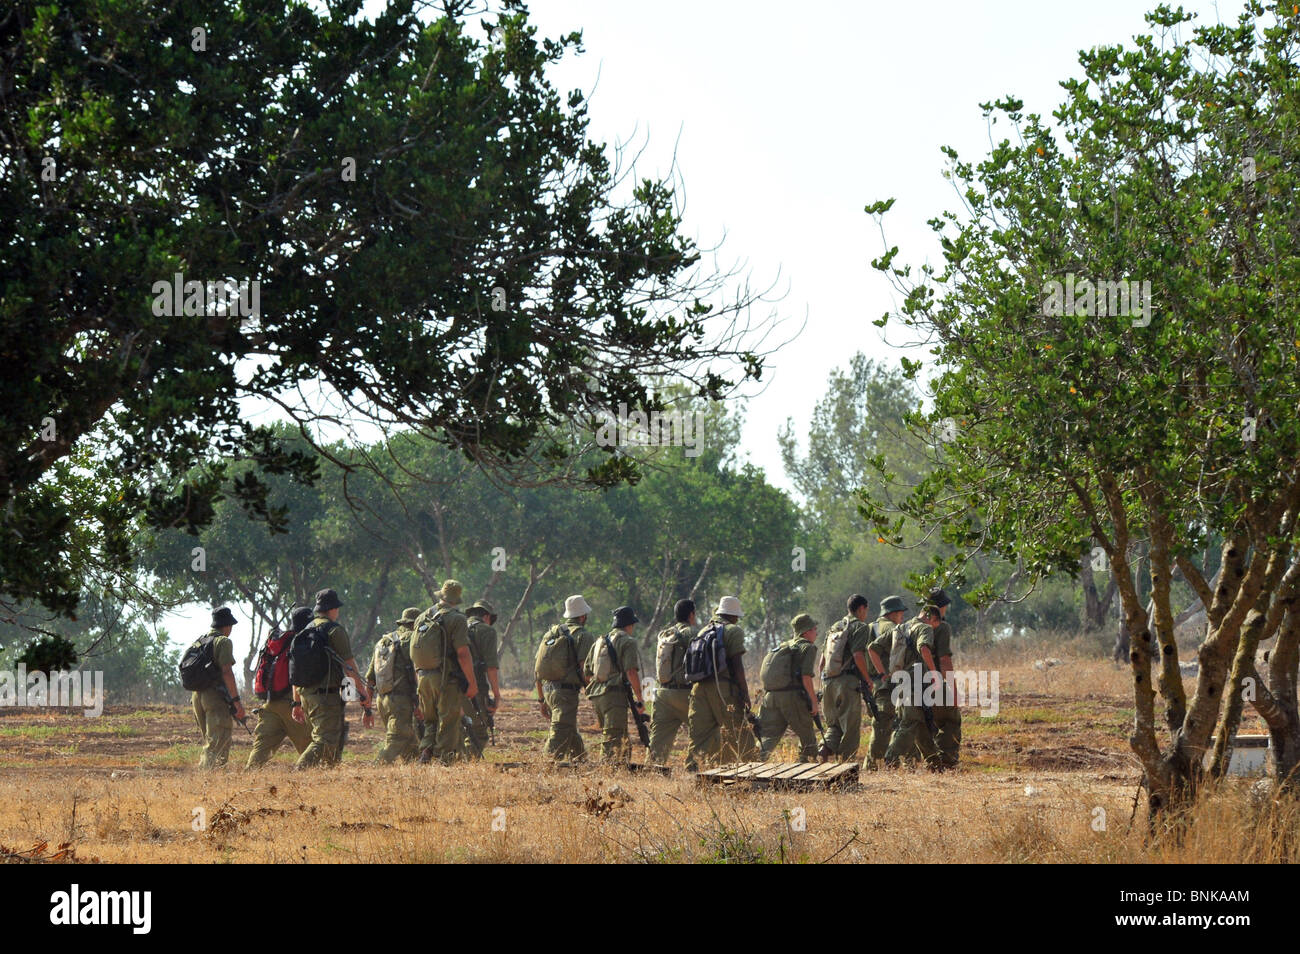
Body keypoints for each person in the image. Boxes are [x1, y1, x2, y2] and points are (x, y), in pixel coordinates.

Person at [295, 588, 372, 770]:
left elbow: (296, 670)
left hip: (306, 695)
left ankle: (328, 775)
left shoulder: (304, 631)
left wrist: (296, 702)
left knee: (331, 738)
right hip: (325, 696)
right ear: (332, 609)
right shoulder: (334, 631)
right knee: (325, 739)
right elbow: (350, 667)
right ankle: (298, 772)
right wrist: (363, 695)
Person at [685, 596, 758, 771]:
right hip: (722, 688)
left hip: (699, 689)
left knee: (700, 737)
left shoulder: (703, 631)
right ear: (733, 615)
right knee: (740, 735)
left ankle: (692, 773)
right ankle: (753, 774)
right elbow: (737, 665)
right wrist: (745, 694)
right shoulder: (733, 630)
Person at [413, 580, 476, 765]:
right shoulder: (457, 618)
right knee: (449, 721)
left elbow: (415, 652)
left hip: (423, 677)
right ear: (456, 599)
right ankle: (444, 761)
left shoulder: (422, 617)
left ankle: (425, 751)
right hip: (445, 679)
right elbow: (463, 654)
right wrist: (472, 683)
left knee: (430, 720)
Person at [245, 606, 312, 769]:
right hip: (291, 703)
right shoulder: (300, 643)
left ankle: (247, 778)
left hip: (270, 703)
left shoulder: (279, 642)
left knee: (260, 751)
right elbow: (297, 676)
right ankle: (314, 781)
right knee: (311, 749)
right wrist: (298, 704)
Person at [883, 603, 945, 769]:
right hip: (915, 680)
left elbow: (872, 647)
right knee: (910, 721)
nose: (933, 627)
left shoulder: (901, 627)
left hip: (900, 679)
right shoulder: (925, 628)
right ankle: (891, 757)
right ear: (931, 618)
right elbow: (924, 648)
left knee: (921, 722)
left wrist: (884, 673)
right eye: (934, 624)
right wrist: (934, 675)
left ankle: (934, 763)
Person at [534, 595, 595, 760]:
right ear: (582, 616)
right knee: (560, 731)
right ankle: (546, 765)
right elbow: (585, 668)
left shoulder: (552, 633)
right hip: (566, 693)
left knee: (569, 727)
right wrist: (594, 692)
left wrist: (541, 700)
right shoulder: (583, 635)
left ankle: (580, 760)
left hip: (548, 690)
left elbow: (538, 669)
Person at [583, 605, 646, 762]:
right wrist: (640, 699)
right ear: (629, 625)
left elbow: (587, 673)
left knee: (619, 734)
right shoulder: (628, 641)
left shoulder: (600, 641)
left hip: (597, 696)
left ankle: (622, 767)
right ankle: (608, 770)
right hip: (614, 695)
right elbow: (631, 671)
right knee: (614, 737)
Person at [757, 614, 821, 762]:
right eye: (814, 629)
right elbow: (806, 676)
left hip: (771, 697)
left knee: (767, 737)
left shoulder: (784, 646)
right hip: (791, 697)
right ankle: (808, 773)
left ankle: (752, 766)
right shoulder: (808, 647)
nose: (816, 633)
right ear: (806, 632)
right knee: (807, 737)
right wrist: (813, 701)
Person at [189, 607, 246, 770]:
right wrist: (236, 702)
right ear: (227, 625)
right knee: (218, 742)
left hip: (197, 697)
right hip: (214, 697)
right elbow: (227, 672)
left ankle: (214, 775)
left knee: (211, 740)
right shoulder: (223, 641)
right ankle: (206, 779)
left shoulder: (200, 640)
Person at [819, 594, 873, 760]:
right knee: (850, 727)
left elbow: (822, 659)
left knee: (834, 725)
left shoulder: (834, 627)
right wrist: (868, 679)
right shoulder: (860, 627)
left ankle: (824, 750)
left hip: (828, 681)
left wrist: (822, 683)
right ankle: (845, 765)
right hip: (847, 682)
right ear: (861, 608)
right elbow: (858, 656)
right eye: (866, 610)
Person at [366, 607, 423, 763]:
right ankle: (377, 768)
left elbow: (371, 677)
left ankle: (416, 773)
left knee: (409, 744)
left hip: (382, 700)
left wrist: (367, 707)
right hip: (400, 701)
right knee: (397, 738)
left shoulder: (384, 641)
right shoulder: (413, 639)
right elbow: (417, 673)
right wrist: (421, 703)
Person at [648, 599, 696, 765]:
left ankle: (652, 770)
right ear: (691, 615)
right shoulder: (692, 634)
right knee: (704, 730)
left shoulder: (665, 634)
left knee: (658, 739)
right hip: (684, 693)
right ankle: (694, 767)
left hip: (662, 692)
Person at [864, 594, 908, 767]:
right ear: (894, 613)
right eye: (901, 613)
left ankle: (890, 762)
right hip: (887, 683)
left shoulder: (868, 627)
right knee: (884, 724)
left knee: (886, 722)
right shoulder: (892, 627)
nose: (902, 616)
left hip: (872, 683)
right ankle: (873, 764)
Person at [462, 600, 501, 757]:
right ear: (486, 616)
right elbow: (491, 667)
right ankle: (466, 764)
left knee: (462, 729)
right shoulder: (486, 631)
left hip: (451, 685)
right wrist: (497, 695)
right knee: (479, 732)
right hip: (476, 686)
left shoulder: (457, 628)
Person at [927, 588, 961, 768]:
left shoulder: (913, 624)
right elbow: (944, 660)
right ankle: (946, 761)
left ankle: (927, 760)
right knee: (950, 720)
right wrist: (953, 690)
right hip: (935, 682)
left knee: (926, 721)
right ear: (940, 607)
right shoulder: (942, 627)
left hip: (911, 682)